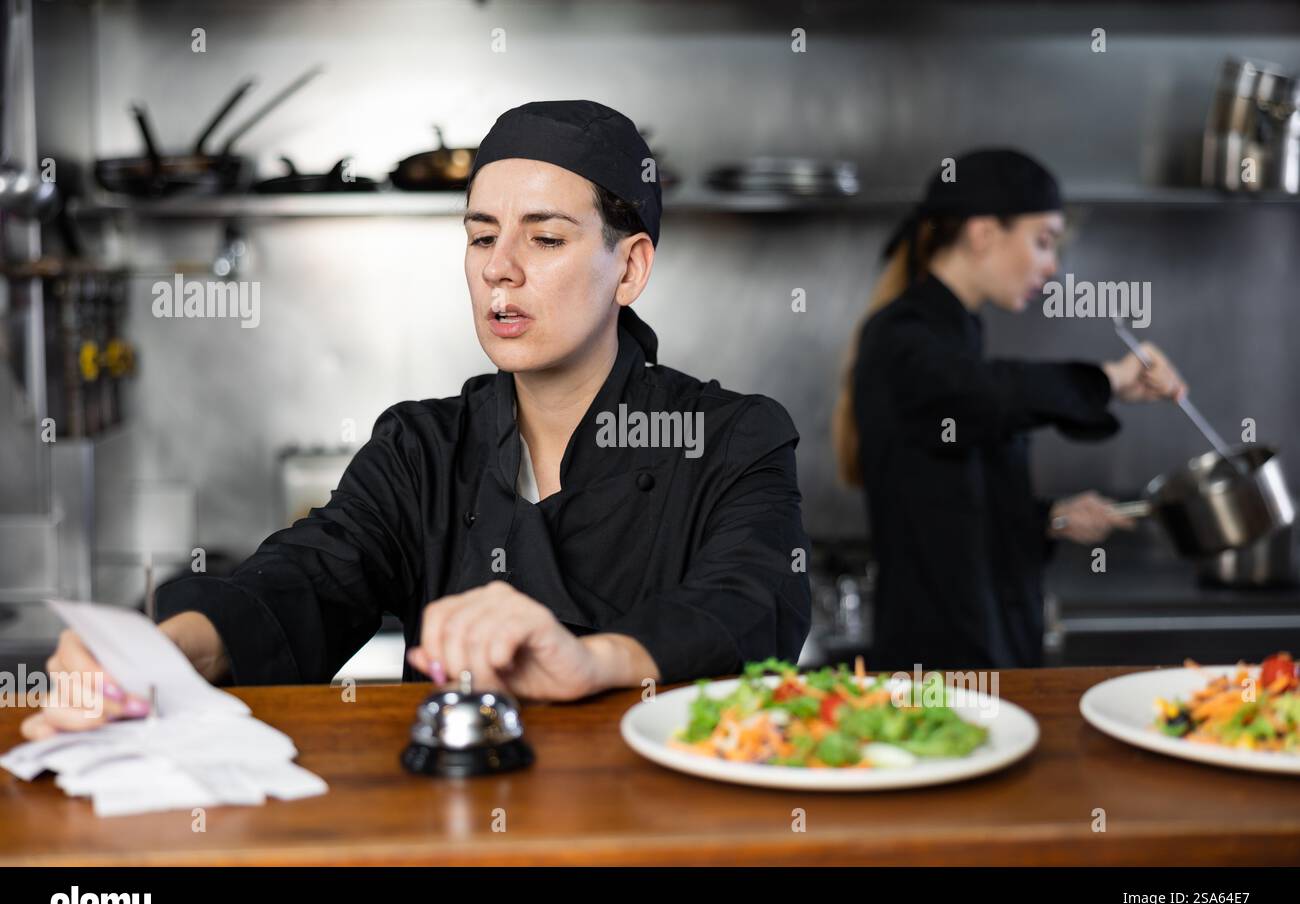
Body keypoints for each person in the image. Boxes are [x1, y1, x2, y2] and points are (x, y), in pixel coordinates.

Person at [23, 100, 811, 741]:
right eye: (480, 236)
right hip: (453, 823)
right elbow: (308, 578)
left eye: (544, 237)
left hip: (662, 834)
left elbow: (751, 601)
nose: (500, 267)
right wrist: (158, 653)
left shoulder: (733, 437)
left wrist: (594, 659)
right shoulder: (424, 448)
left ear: (630, 267)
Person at [831, 149, 1185, 671]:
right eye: (1043, 241)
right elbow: (990, 393)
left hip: (987, 649)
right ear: (983, 234)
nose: (1052, 266)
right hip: (939, 662)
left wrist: (1051, 519)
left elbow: (956, 499)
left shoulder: (955, 337)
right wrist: (1108, 379)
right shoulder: (900, 338)